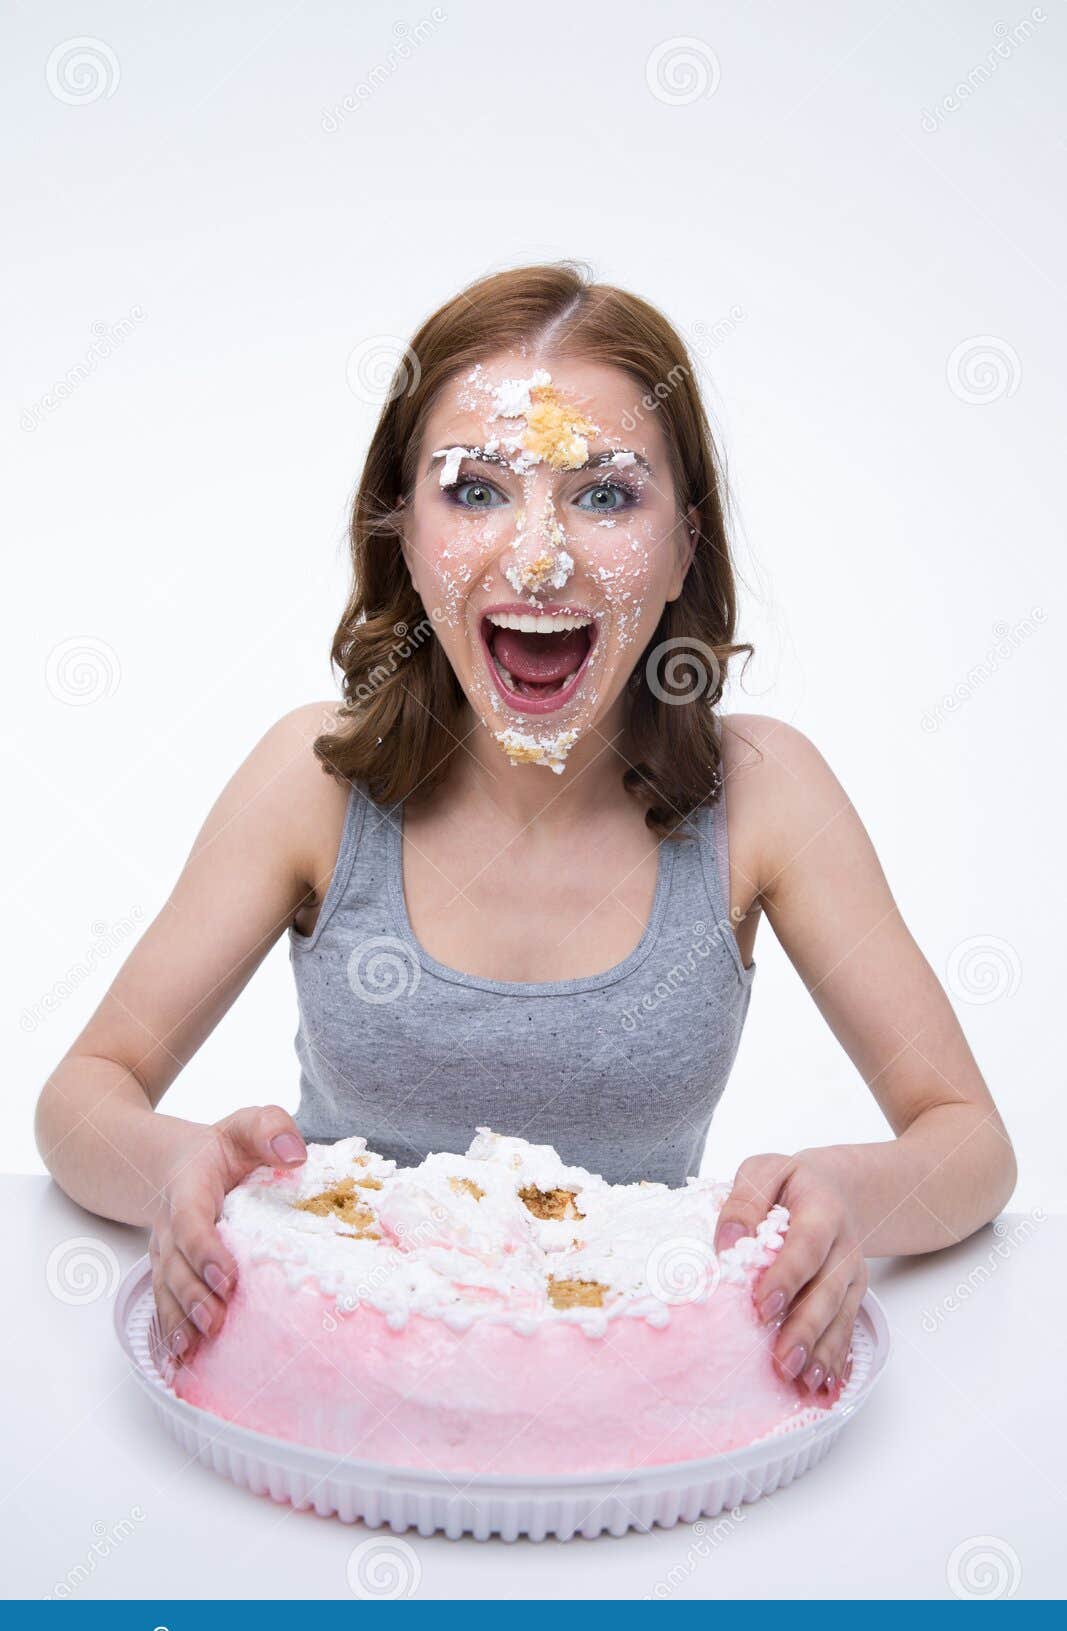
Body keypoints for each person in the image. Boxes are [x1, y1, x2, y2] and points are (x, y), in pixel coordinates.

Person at [35, 263, 1015, 1407]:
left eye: (605, 495)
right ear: (401, 533)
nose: (539, 556)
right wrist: (179, 1171)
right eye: (475, 490)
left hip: (622, 1399)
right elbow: (82, 1097)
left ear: (684, 543)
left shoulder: (764, 796)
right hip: (333, 1381)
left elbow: (969, 1145)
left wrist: (848, 1190)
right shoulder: (311, 782)